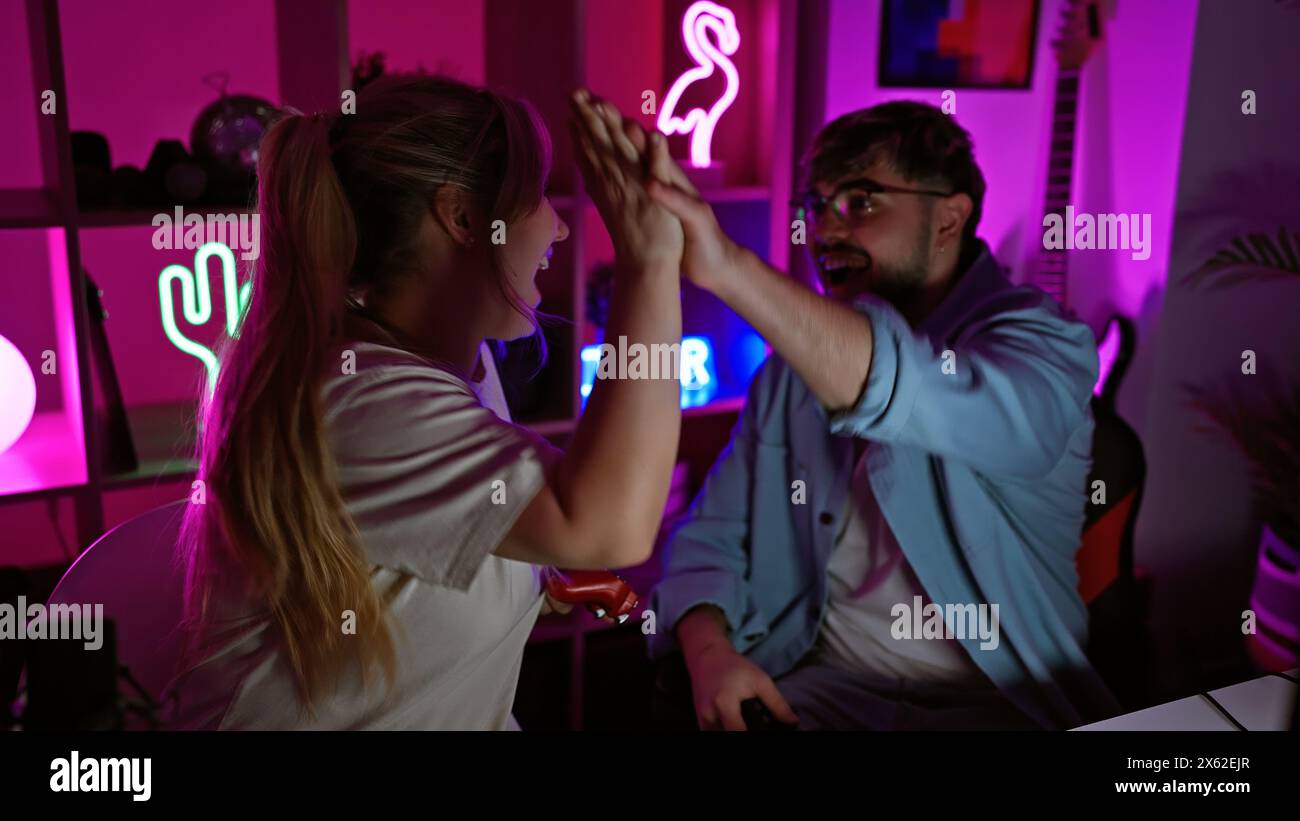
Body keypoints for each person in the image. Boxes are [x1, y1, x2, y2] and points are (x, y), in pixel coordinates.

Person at [166, 77, 683, 730]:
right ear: (464, 218)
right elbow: (611, 524)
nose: (556, 225)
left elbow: (420, 536)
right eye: (538, 195)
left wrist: (524, 580)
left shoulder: (459, 361)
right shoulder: (362, 399)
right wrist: (650, 261)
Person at [625, 100, 1122, 730]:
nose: (825, 231)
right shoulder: (784, 377)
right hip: (820, 692)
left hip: (999, 703)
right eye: (817, 205)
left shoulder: (1045, 345)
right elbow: (711, 536)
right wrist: (709, 652)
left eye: (861, 202)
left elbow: (920, 392)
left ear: (948, 218)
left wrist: (728, 268)